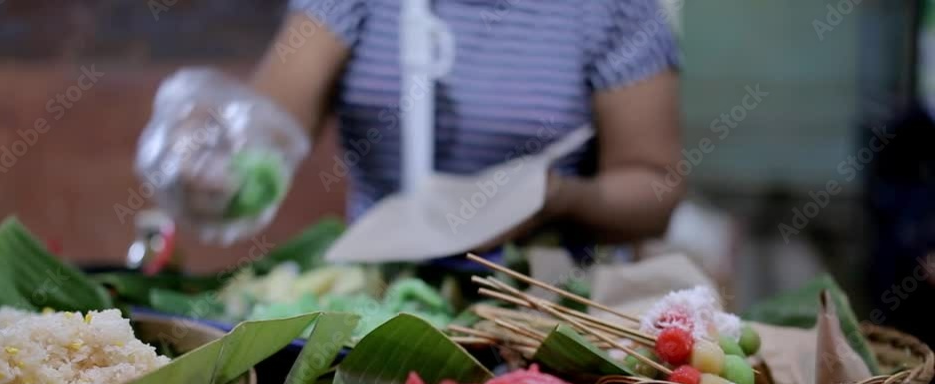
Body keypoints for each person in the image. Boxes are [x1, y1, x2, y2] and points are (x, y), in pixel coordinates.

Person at [136, 0, 684, 252]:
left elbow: (653, 190)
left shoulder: (612, 10)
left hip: (537, 297)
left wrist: (554, 198)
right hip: (383, 295)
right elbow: (264, 128)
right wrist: (204, 138)